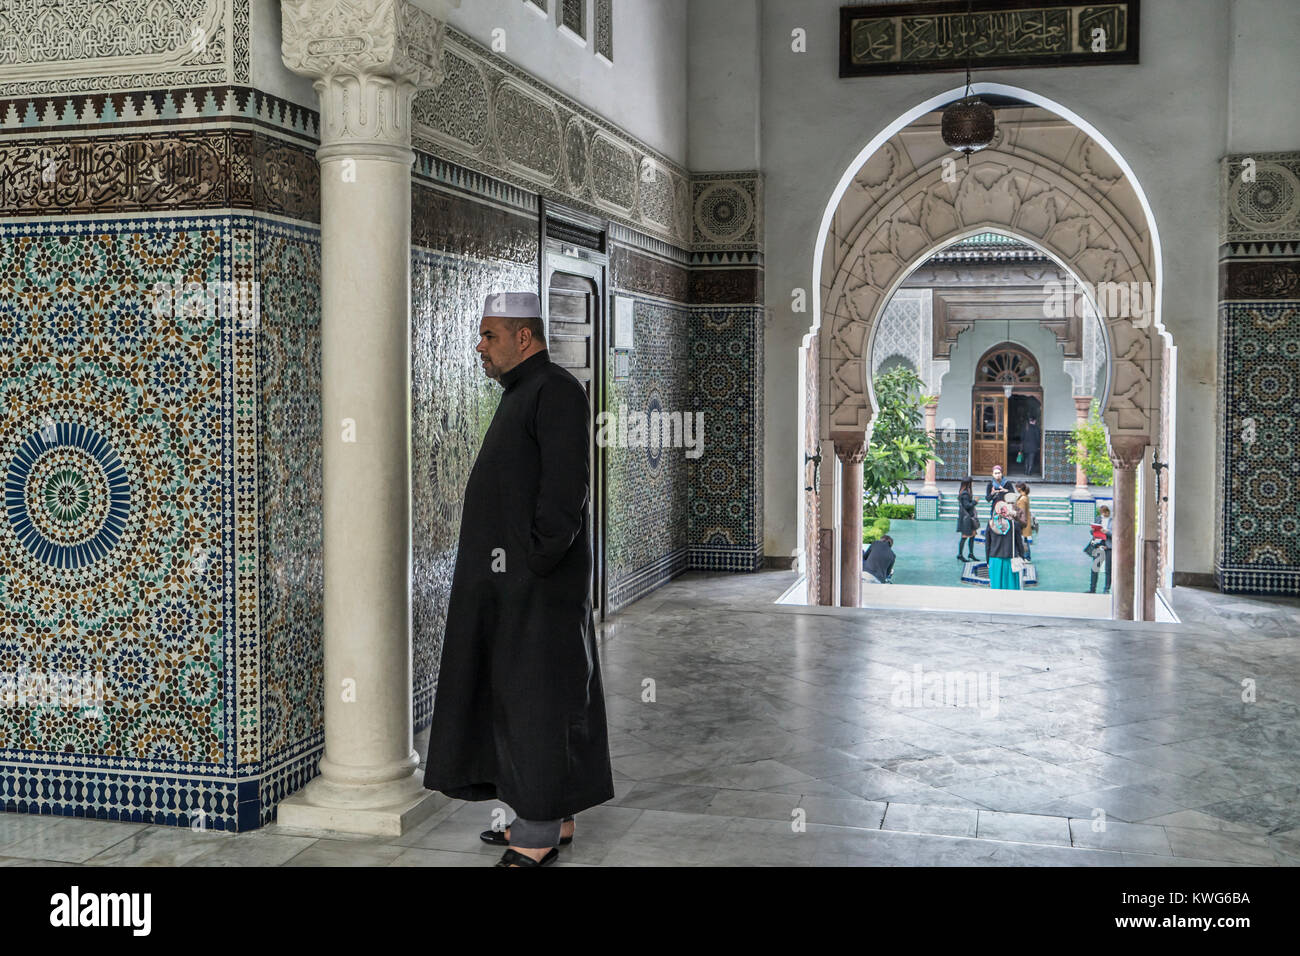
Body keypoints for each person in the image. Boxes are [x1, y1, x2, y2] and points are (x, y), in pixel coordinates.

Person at [423, 291, 614, 868]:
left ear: (523, 337)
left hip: (537, 588)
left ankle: (536, 832)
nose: (480, 346)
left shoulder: (553, 390)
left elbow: (564, 493)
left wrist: (534, 565)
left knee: (538, 701)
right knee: (522, 697)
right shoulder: (524, 391)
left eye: (489, 335)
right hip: (513, 585)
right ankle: (557, 814)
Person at [985, 500, 1025, 590]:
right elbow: (1019, 543)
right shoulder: (1014, 524)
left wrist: (987, 560)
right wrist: (1022, 556)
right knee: (1011, 588)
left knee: (996, 587)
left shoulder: (990, 524)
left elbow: (988, 545)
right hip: (1010, 559)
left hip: (994, 559)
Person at [1087, 504, 1113, 593]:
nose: (1103, 514)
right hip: (1099, 545)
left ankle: (1106, 589)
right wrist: (1093, 530)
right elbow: (1092, 532)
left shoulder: (1114, 521)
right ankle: (1092, 589)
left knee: (1108, 570)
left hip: (1109, 547)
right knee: (1095, 568)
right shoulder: (1098, 519)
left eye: (1105, 512)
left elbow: (1116, 535)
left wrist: (1107, 532)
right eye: (1102, 512)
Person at [956, 477, 978, 561]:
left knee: (972, 536)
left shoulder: (965, 491)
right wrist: (975, 501)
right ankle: (960, 554)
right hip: (967, 519)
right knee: (964, 537)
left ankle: (971, 554)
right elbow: (967, 506)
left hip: (968, 518)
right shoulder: (965, 494)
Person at [1015, 481, 1033, 560]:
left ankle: (1026, 556)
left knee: (1023, 541)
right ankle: (1026, 556)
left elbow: (1022, 512)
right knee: (1024, 540)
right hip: (1026, 522)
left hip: (1023, 523)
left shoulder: (1022, 499)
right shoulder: (1025, 496)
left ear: (1019, 488)